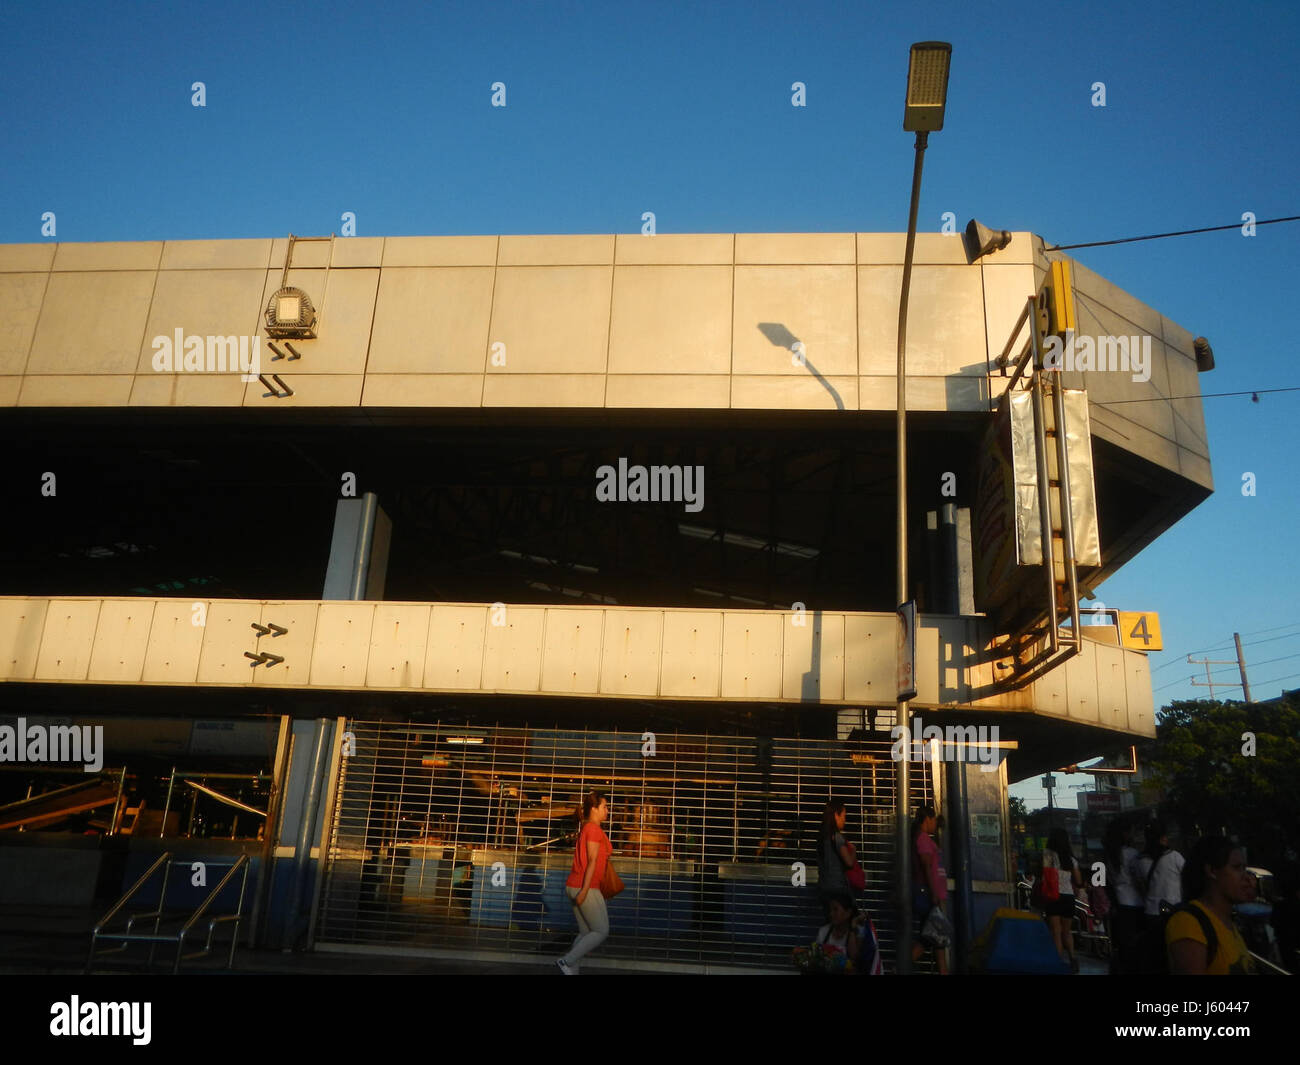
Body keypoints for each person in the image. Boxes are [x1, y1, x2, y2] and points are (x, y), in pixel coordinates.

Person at [1166, 836, 1256, 975]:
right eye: (1237, 868)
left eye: (1245, 868)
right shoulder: (1188, 924)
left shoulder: (1227, 921)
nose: (1247, 878)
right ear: (1212, 871)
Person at [556, 790, 614, 975]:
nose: (607, 811)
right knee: (601, 931)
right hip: (585, 886)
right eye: (605, 807)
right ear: (595, 809)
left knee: (586, 931)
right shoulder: (593, 830)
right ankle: (567, 961)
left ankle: (572, 969)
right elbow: (592, 861)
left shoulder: (587, 828)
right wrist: (585, 891)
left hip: (576, 885)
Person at [912, 804, 949, 974]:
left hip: (931, 895)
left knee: (937, 938)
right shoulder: (923, 840)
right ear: (927, 819)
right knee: (929, 937)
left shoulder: (925, 839)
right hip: (928, 895)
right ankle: (902, 965)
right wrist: (933, 893)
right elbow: (927, 866)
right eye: (933, 820)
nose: (935, 824)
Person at [1104, 818, 1144, 972]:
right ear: (1125, 834)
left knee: (1124, 946)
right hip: (1135, 902)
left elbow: (1102, 880)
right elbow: (1139, 879)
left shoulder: (1108, 854)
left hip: (1119, 903)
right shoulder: (1132, 854)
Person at [1043, 828, 1083, 972]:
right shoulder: (1071, 859)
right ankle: (1072, 958)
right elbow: (1078, 881)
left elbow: (1045, 875)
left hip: (1053, 896)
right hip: (1068, 897)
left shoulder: (1048, 855)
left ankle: (1058, 962)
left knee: (1056, 932)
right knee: (1067, 931)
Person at [817, 800, 860, 915]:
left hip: (824, 888)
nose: (844, 820)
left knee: (831, 922)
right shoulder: (837, 838)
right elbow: (849, 862)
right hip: (839, 891)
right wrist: (854, 849)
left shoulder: (822, 838)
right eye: (844, 816)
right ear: (836, 815)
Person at [1136, 820, 1184, 925]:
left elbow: (1141, 886)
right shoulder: (1175, 856)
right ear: (1163, 838)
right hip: (1173, 910)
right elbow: (1187, 878)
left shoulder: (1140, 861)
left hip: (1151, 911)